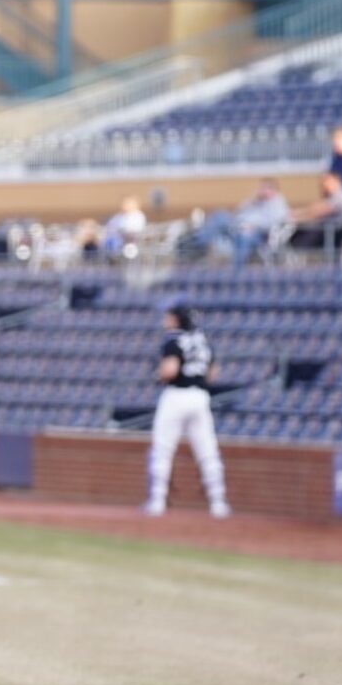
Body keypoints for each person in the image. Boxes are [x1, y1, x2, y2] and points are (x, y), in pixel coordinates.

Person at [144, 298, 230, 519]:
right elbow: (212, 374)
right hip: (200, 396)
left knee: (163, 449)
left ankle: (157, 501)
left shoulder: (173, 340)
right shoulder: (203, 341)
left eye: (169, 315)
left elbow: (170, 370)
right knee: (207, 451)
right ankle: (218, 502)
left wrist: (158, 375)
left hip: (176, 395)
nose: (166, 319)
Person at [182, 178, 289, 268]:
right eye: (261, 188)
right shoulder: (254, 201)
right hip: (238, 227)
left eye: (265, 188)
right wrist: (252, 202)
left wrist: (253, 226)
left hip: (258, 235)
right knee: (219, 215)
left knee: (245, 236)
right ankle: (198, 244)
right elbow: (238, 213)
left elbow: (274, 222)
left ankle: (237, 271)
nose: (261, 190)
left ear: (273, 190)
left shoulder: (278, 204)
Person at [286, 172, 342, 253]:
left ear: (336, 180)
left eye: (326, 181)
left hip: (335, 233)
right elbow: (315, 208)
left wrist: (298, 218)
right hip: (329, 231)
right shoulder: (333, 196)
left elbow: (319, 212)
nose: (323, 185)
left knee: (301, 238)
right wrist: (297, 213)